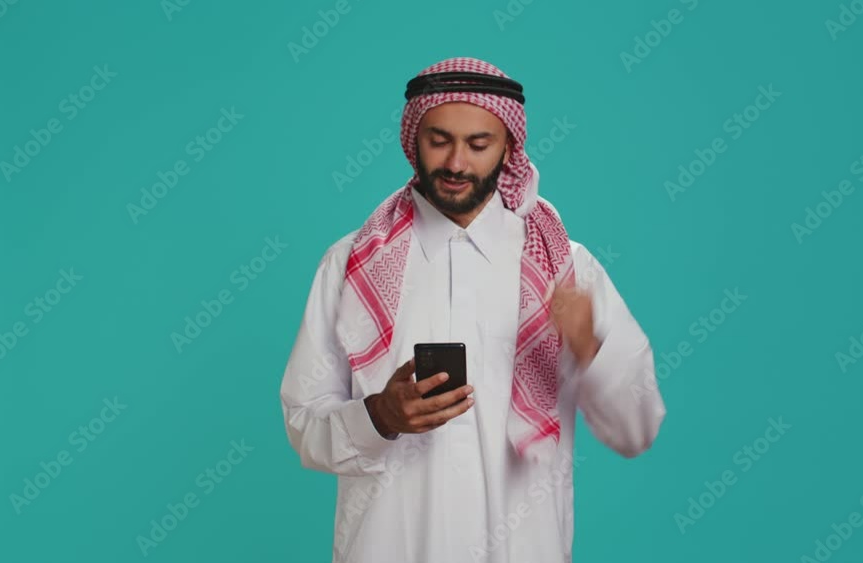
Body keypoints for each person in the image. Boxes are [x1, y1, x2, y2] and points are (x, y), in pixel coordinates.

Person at [280, 56, 666, 563]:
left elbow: (636, 429)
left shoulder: (565, 269)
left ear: (508, 148)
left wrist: (592, 348)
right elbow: (305, 426)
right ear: (412, 139)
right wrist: (379, 416)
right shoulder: (352, 264)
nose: (457, 163)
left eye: (478, 144)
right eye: (439, 140)